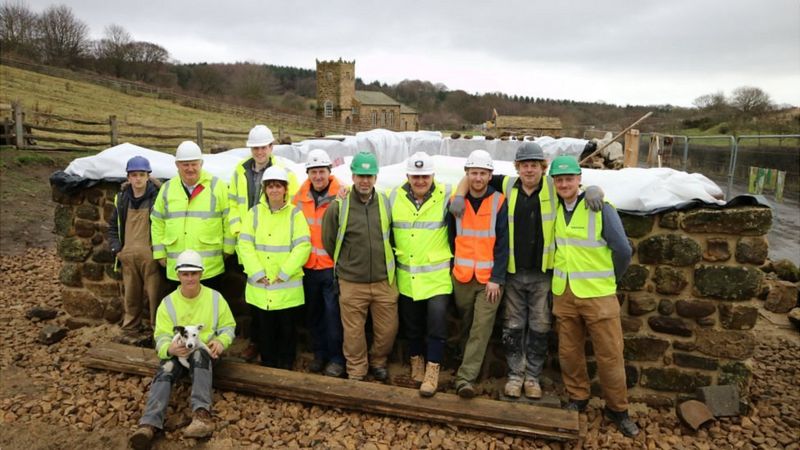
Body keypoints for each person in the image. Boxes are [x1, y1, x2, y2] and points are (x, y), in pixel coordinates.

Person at [450, 142, 605, 399]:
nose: (529, 170)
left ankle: (532, 377)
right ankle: (515, 376)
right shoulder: (508, 185)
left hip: (542, 274)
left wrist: (593, 190)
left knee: (540, 327)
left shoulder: (552, 187)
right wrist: (458, 195)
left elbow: (572, 186)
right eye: (524, 165)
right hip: (513, 273)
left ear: (543, 168)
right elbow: (473, 177)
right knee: (512, 326)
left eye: (534, 165)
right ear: (517, 168)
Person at [548, 155, 638, 437]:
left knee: (610, 355)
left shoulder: (600, 207)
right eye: (559, 180)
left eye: (569, 179)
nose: (564, 184)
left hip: (598, 295)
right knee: (569, 352)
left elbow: (623, 250)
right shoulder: (553, 207)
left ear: (579, 179)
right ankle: (578, 397)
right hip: (564, 292)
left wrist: (610, 278)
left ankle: (618, 409)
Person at [129, 250, 236, 449]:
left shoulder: (215, 298)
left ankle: (201, 416)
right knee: (166, 368)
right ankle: (149, 424)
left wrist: (221, 342)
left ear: (201, 273)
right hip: (177, 354)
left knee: (199, 354)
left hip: (206, 354)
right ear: (178, 275)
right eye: (185, 274)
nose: (190, 278)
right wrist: (169, 348)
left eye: (193, 273)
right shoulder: (168, 303)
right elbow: (161, 335)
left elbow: (228, 326)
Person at [322, 151, 398, 382]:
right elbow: (329, 240)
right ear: (353, 176)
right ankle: (356, 370)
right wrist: (349, 262)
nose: (365, 181)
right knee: (353, 333)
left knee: (387, 330)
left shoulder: (386, 201)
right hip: (352, 282)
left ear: (376, 177)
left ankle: (378, 361)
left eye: (369, 176)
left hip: (384, 280)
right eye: (361, 176)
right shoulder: (339, 205)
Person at [228, 125, 298, 360]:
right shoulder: (240, 171)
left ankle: (272, 347)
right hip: (249, 242)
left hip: (274, 243)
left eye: (263, 147)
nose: (259, 152)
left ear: (271, 147)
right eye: (255, 148)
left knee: (276, 300)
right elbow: (232, 203)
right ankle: (257, 343)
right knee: (255, 298)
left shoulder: (282, 171)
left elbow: (290, 207)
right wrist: (239, 232)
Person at [388, 151, 453, 397]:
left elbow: (475, 182)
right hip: (407, 277)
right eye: (416, 176)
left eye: (425, 176)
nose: (420, 181)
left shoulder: (447, 194)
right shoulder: (393, 196)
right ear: (407, 176)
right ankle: (416, 361)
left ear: (433, 176)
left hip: (436, 278)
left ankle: (433, 369)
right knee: (412, 326)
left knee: (436, 325)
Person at [448, 149, 509, 398]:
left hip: (488, 281)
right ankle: (466, 363)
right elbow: (450, 237)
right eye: (474, 173)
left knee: (480, 328)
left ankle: (465, 379)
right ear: (467, 174)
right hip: (462, 276)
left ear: (490, 175)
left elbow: (504, 243)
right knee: (467, 326)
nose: (478, 178)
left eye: (483, 173)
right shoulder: (455, 201)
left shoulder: (499, 201)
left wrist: (497, 278)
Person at [237, 166, 311, 369]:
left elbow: (303, 246)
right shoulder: (254, 213)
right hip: (261, 285)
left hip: (286, 286)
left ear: (286, 189)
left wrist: (284, 273)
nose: (274, 190)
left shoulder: (295, 214)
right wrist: (256, 272)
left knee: (287, 329)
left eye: (278, 186)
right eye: (270, 186)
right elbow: (244, 244)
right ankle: (268, 363)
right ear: (265, 189)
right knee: (265, 329)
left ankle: (286, 366)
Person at [151, 141, 234, 292]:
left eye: (194, 164)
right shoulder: (167, 188)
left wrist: (228, 249)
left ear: (201, 163)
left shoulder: (217, 186)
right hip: (177, 267)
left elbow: (229, 219)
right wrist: (159, 253)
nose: (190, 169)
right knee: (179, 306)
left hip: (210, 267)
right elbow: (157, 221)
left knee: (210, 305)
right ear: (177, 165)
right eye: (185, 164)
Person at [292, 149, 346, 377]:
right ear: (308, 174)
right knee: (313, 315)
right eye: (313, 172)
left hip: (331, 267)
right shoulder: (299, 198)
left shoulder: (342, 195)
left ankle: (336, 359)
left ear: (329, 172)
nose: (318, 176)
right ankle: (319, 354)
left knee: (333, 316)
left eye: (322, 171)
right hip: (308, 267)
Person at [108, 156, 164, 340]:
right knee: (131, 295)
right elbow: (113, 227)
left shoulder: (158, 197)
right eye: (134, 175)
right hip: (128, 255)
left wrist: (159, 251)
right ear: (128, 177)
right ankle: (131, 327)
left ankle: (158, 329)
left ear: (148, 176)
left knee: (155, 295)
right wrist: (117, 249)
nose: (138, 178)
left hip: (151, 256)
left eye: (141, 174)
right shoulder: (122, 199)